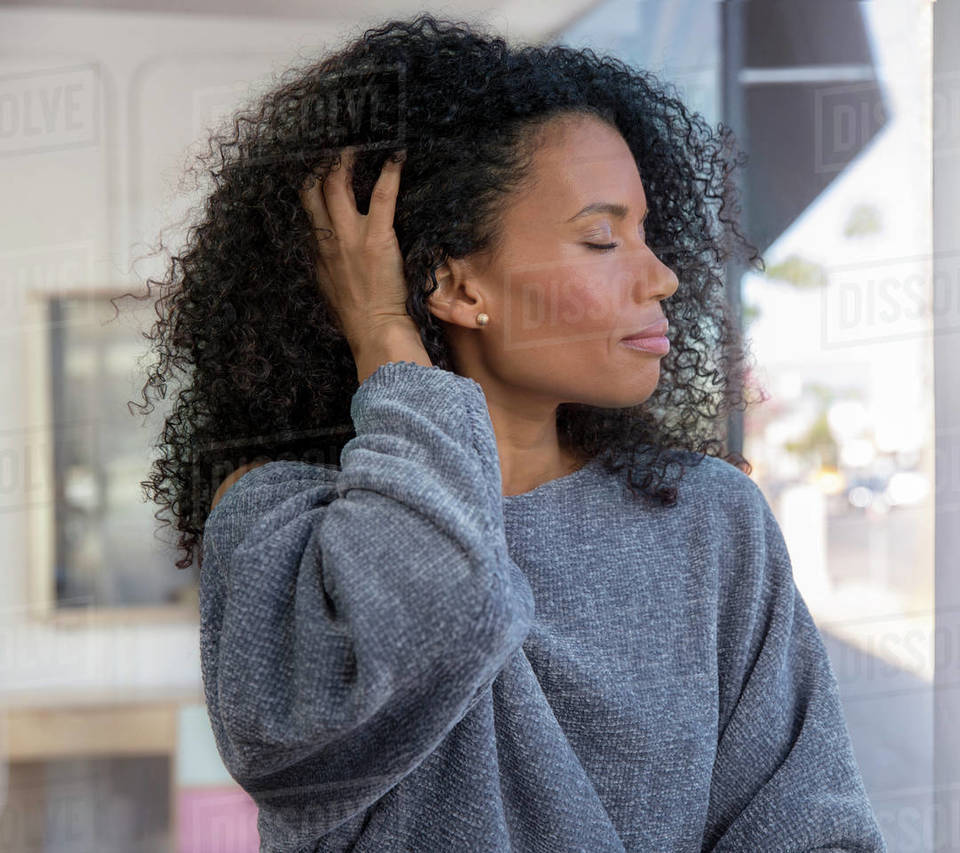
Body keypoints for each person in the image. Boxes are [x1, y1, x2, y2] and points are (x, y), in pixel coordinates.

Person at [138, 12, 886, 852]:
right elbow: (436, 615)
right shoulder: (284, 525)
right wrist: (387, 330)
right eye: (602, 237)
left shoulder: (710, 520)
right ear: (454, 284)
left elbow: (810, 829)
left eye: (646, 232)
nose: (664, 275)